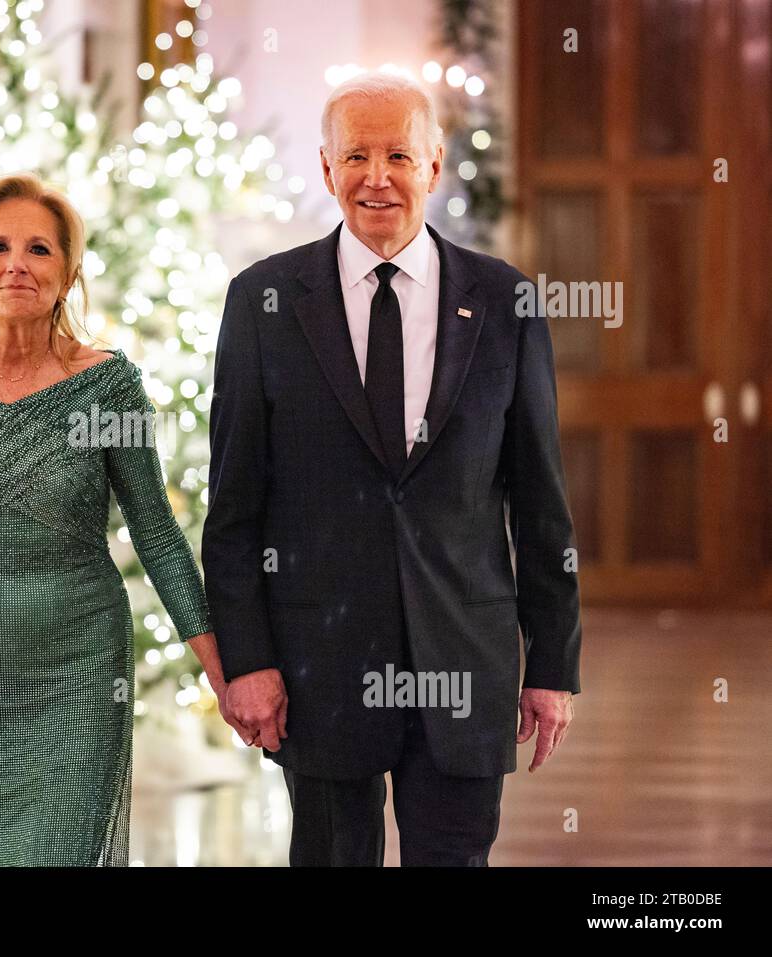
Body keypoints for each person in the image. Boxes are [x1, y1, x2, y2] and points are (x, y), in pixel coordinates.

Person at [202, 72, 583, 866]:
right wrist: (248, 661)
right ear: (326, 168)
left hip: (464, 659)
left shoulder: (505, 302)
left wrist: (552, 665)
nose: (378, 177)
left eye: (399, 155)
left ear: (434, 167)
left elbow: (541, 502)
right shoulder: (263, 301)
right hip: (318, 665)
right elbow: (234, 508)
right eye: (357, 156)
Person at [0, 172, 241, 865]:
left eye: (40, 250)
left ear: (68, 274)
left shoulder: (108, 385)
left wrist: (222, 672)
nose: (17, 265)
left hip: (78, 677)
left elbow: (156, 533)